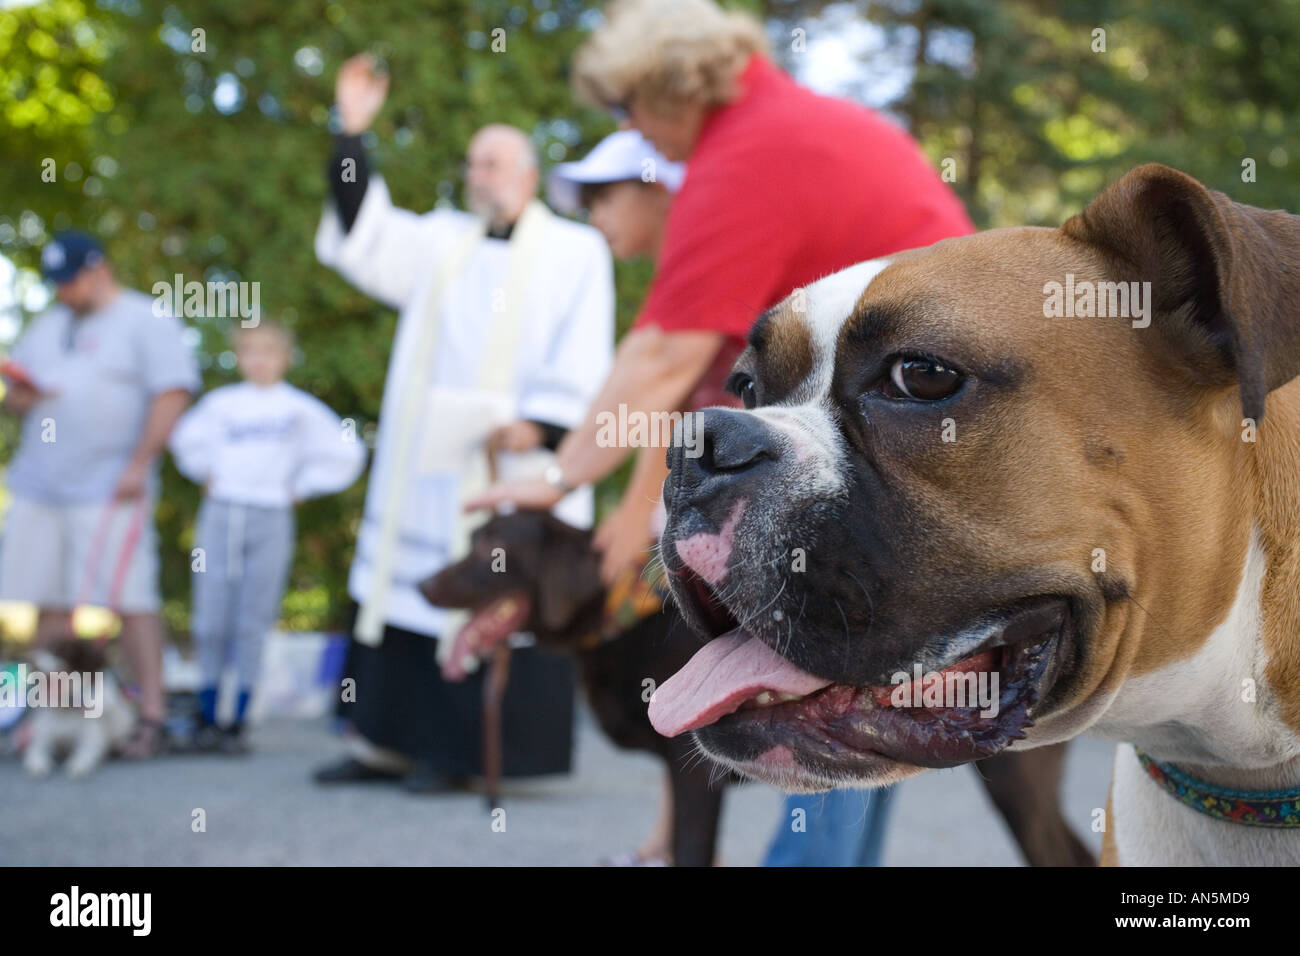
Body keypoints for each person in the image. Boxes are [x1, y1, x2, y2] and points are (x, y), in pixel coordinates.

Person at [468, 0, 975, 864]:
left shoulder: (743, 155)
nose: (634, 133)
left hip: (924, 420)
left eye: (628, 110)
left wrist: (558, 477)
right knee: (862, 666)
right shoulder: (788, 126)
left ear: (668, 84)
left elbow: (659, 356)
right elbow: (684, 401)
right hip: (930, 404)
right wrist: (627, 523)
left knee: (837, 649)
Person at [311, 54, 614, 792]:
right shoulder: (441, 242)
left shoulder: (576, 251)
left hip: (509, 462)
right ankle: (384, 743)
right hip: (427, 464)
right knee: (408, 590)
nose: (479, 173)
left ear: (529, 175)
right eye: (473, 162)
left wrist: (540, 426)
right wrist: (351, 133)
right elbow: (363, 234)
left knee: (493, 590)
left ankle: (466, 756)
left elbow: (588, 349)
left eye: (495, 160)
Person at [0, 230, 199, 759]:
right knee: (47, 600)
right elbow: (19, 400)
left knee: (132, 601)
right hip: (41, 483)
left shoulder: (145, 320)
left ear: (99, 270)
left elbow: (172, 391)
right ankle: (49, 719)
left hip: (110, 488)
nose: (63, 291)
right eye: (56, 284)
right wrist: (19, 397)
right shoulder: (48, 325)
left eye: (70, 281)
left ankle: (149, 715)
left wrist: (139, 463)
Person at [548, 129, 686, 864]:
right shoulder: (677, 265)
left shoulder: (707, 256)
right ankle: (671, 842)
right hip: (710, 498)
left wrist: (636, 515)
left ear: (656, 186)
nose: (595, 214)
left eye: (604, 196)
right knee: (695, 670)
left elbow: (669, 390)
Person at [168, 319, 366, 754]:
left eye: (269, 350)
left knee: (254, 616)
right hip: (222, 511)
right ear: (239, 356)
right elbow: (185, 442)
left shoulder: (298, 409)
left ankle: (238, 718)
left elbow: (345, 453)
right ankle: (206, 712)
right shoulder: (222, 405)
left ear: (286, 357)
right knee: (212, 613)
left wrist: (301, 486)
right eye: (250, 350)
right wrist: (207, 473)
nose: (259, 359)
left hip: (272, 514)